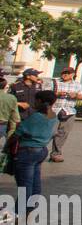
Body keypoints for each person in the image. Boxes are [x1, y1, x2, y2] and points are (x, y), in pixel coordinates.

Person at [11, 90, 57, 218]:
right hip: (41, 150)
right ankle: (30, 206)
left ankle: (17, 213)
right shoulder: (53, 115)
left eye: (36, 100)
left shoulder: (36, 116)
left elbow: (18, 132)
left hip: (28, 151)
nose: (34, 102)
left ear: (41, 101)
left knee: (25, 184)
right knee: (35, 181)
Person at [49, 65, 82, 163]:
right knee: (50, 131)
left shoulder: (77, 85)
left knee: (63, 133)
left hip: (69, 111)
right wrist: (57, 94)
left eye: (67, 73)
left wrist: (76, 95)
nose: (65, 75)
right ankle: (38, 150)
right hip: (53, 110)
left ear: (72, 74)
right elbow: (46, 93)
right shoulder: (55, 82)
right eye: (63, 73)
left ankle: (56, 154)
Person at [0, 78, 20, 142]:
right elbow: (15, 119)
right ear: (5, 86)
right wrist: (10, 136)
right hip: (2, 125)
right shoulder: (11, 98)